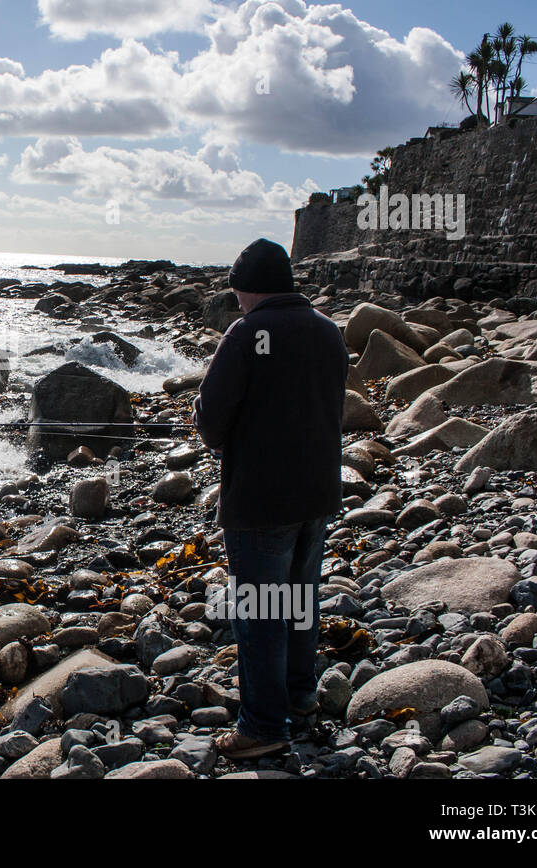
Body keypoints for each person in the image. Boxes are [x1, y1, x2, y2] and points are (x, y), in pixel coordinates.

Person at [191, 238, 348, 760]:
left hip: (262, 500)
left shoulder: (247, 333)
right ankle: (301, 698)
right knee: (300, 601)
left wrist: (204, 413)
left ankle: (262, 725)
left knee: (260, 613)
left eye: (238, 295)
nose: (237, 304)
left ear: (251, 291)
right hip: (318, 491)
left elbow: (212, 424)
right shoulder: (328, 331)